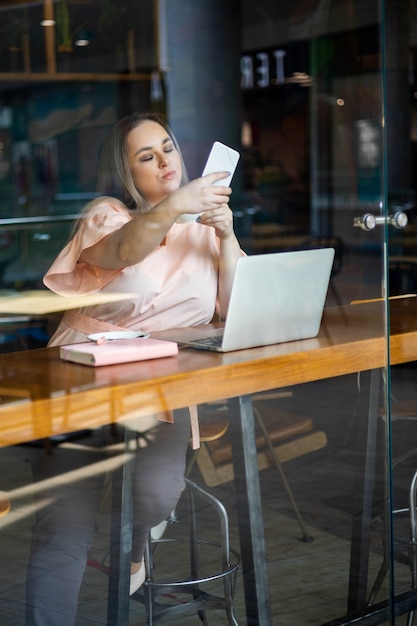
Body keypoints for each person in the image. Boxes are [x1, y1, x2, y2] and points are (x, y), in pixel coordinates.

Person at [25, 112, 243, 625]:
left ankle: (130, 551)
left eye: (168, 147)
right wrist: (173, 207)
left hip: (161, 385)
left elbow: (233, 312)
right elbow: (124, 251)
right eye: (147, 156)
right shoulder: (108, 215)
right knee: (66, 525)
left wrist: (228, 236)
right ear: (126, 174)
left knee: (156, 492)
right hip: (82, 379)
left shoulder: (203, 230)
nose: (166, 160)